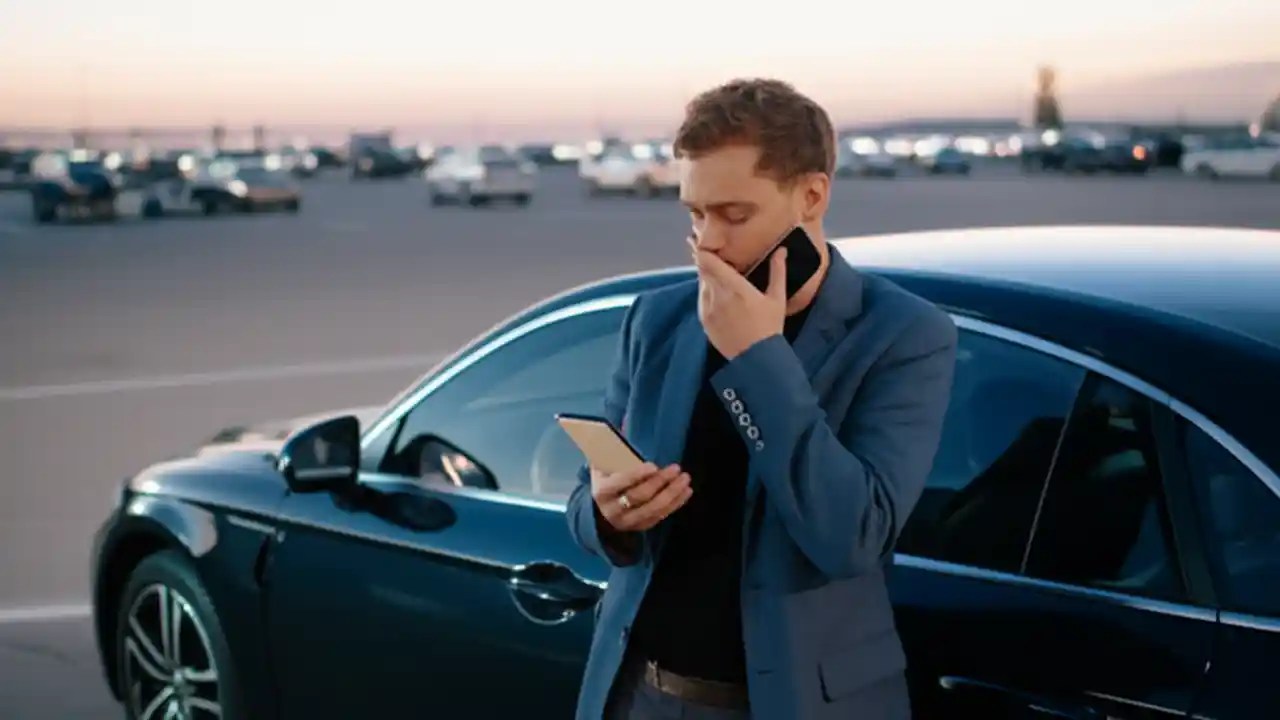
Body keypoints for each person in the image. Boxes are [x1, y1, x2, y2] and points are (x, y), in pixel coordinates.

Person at [565, 78, 959, 720]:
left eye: (734, 214)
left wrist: (759, 360)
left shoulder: (904, 335)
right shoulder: (659, 321)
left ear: (810, 194)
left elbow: (852, 538)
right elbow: (585, 502)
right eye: (695, 214)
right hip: (642, 694)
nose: (709, 241)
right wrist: (610, 513)